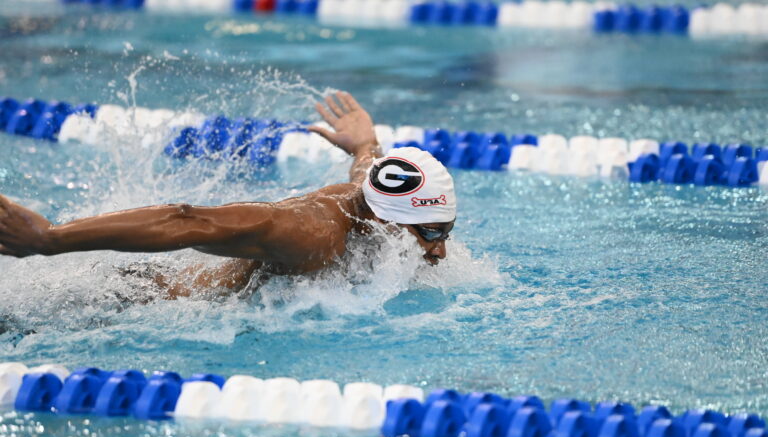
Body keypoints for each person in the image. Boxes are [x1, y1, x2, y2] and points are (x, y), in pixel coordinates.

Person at [0, 92, 456, 297]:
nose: (439, 250)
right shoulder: (309, 231)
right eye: (431, 232)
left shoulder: (371, 199)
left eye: (445, 231)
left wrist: (362, 144)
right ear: (385, 221)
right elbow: (188, 220)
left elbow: (369, 171)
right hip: (143, 303)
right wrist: (51, 239)